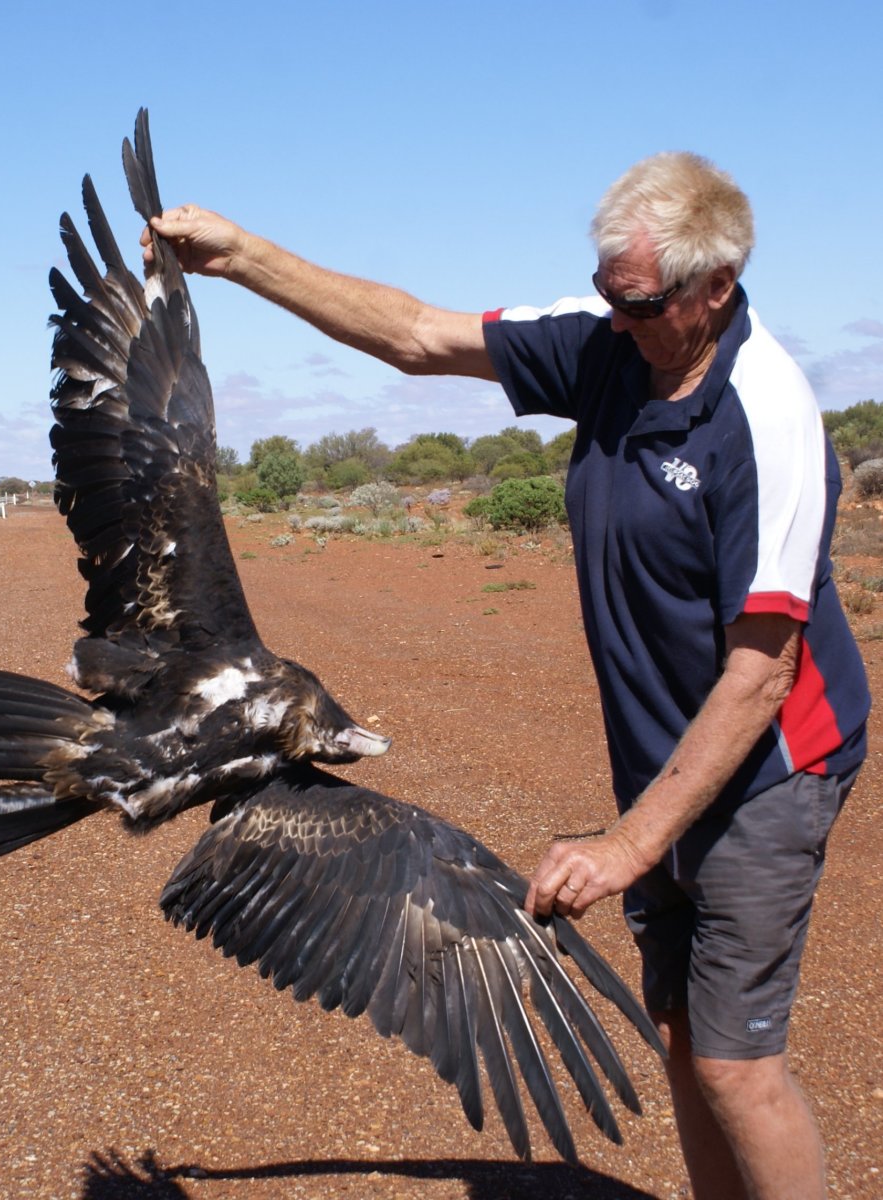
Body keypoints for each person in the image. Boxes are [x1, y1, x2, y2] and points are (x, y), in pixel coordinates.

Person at [142, 151, 869, 1200]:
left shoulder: (764, 420)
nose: (613, 318)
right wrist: (242, 256)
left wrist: (626, 844)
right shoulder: (609, 342)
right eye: (606, 292)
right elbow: (414, 335)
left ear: (715, 286)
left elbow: (760, 678)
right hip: (665, 750)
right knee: (680, 1034)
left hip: (765, 765)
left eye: (638, 300)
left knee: (733, 1063)